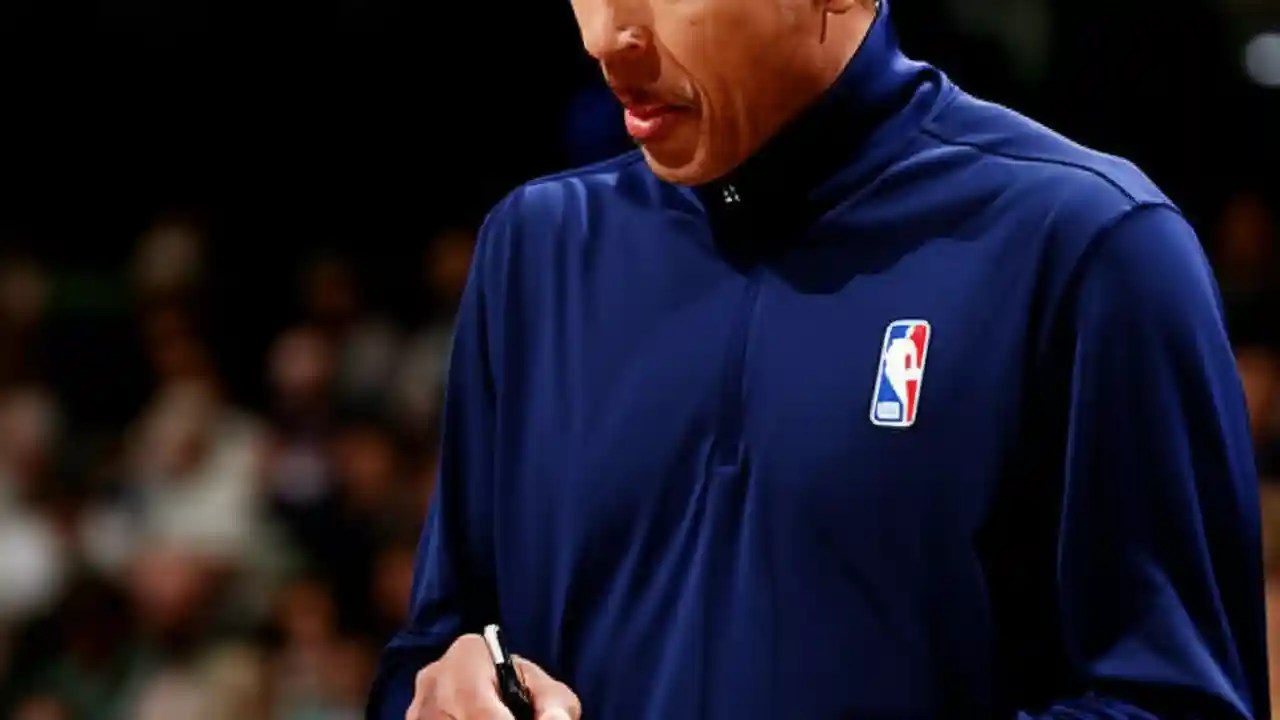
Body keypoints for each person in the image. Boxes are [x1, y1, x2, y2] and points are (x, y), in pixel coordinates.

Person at [370, 0, 1270, 717]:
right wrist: (439, 692)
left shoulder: (1090, 245)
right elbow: (436, 645)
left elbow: (1174, 701)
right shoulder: (536, 248)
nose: (609, 37)